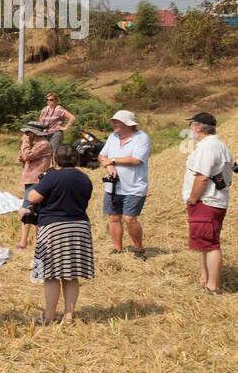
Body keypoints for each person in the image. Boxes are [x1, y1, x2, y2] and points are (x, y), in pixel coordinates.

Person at [27, 144, 95, 324]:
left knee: (50, 275)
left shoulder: (53, 176)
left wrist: (41, 183)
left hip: (54, 228)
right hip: (80, 227)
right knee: (71, 275)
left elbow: (32, 197)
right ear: (77, 159)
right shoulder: (84, 178)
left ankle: (49, 316)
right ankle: (69, 316)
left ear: (55, 159)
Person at [182, 111, 233, 294]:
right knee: (204, 243)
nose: (190, 130)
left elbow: (202, 177)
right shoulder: (219, 146)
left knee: (210, 244)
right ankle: (205, 279)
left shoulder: (207, 148)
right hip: (215, 200)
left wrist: (193, 199)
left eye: (191, 126)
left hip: (206, 201)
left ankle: (213, 286)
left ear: (199, 127)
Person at [98, 109, 151, 259]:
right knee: (113, 218)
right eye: (113, 122)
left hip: (134, 187)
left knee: (129, 219)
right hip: (113, 187)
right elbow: (102, 155)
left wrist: (113, 160)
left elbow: (136, 160)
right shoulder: (113, 137)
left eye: (117, 122)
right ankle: (117, 248)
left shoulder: (141, 138)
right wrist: (109, 165)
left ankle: (138, 249)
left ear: (128, 124)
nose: (113, 124)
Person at [16, 123, 53, 250]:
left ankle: (25, 242)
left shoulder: (43, 144)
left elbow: (28, 155)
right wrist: (24, 160)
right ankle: (30, 241)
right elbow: (29, 158)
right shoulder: (38, 144)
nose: (26, 135)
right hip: (32, 180)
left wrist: (24, 143)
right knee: (33, 210)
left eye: (28, 133)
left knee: (27, 210)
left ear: (34, 133)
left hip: (36, 181)